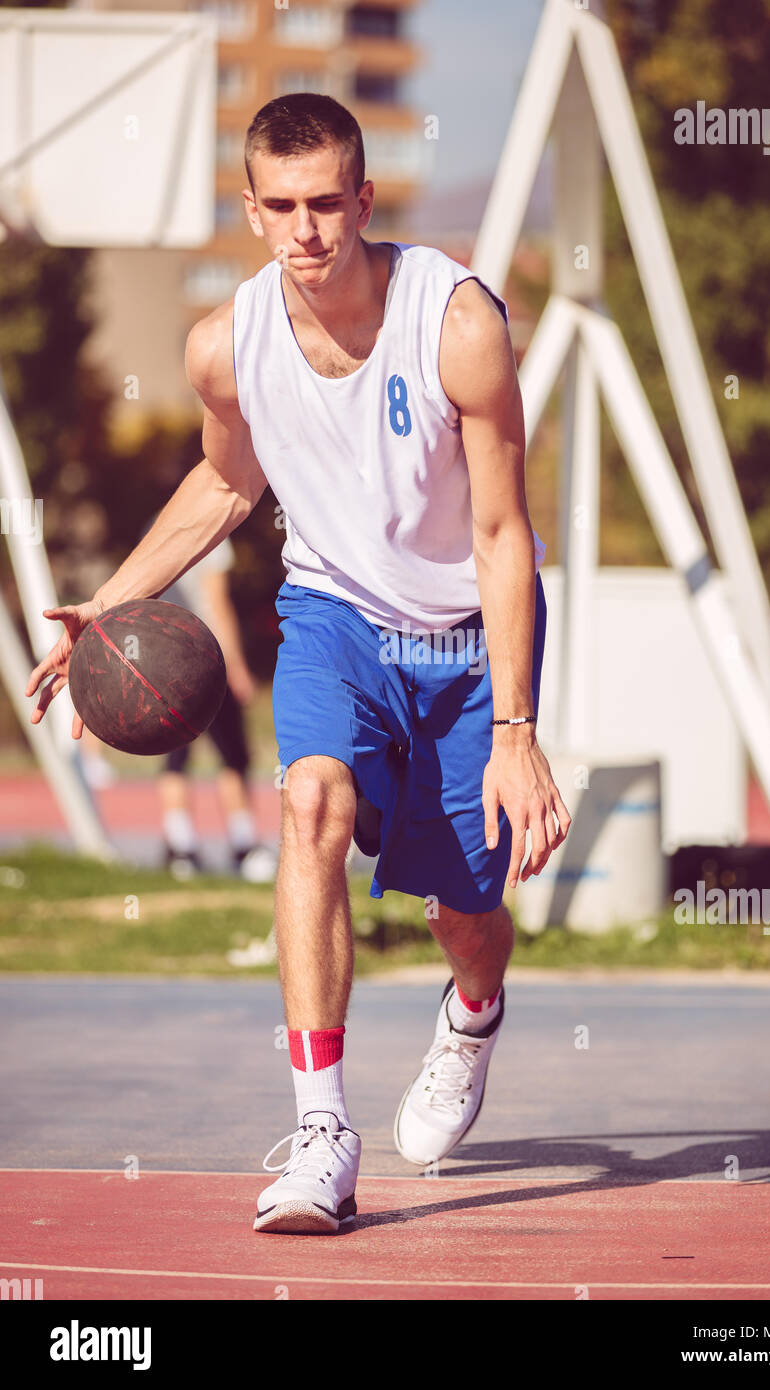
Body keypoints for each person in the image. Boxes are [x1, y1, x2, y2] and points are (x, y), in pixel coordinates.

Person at [26, 93, 571, 1236]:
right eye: (280, 206)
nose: (306, 228)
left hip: (464, 641)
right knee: (308, 802)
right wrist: (112, 602)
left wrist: (517, 733)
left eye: (326, 202)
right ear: (252, 209)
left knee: (461, 910)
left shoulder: (456, 321)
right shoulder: (227, 345)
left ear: (364, 200)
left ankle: (472, 1013)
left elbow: (500, 532)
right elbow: (228, 483)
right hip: (332, 618)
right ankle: (321, 1128)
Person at [157, 534, 276, 883]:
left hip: (164, 662)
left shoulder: (155, 528)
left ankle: (180, 847)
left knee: (175, 756)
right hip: (205, 658)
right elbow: (216, 602)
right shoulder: (210, 528)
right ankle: (243, 845)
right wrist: (236, 666)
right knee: (232, 757)